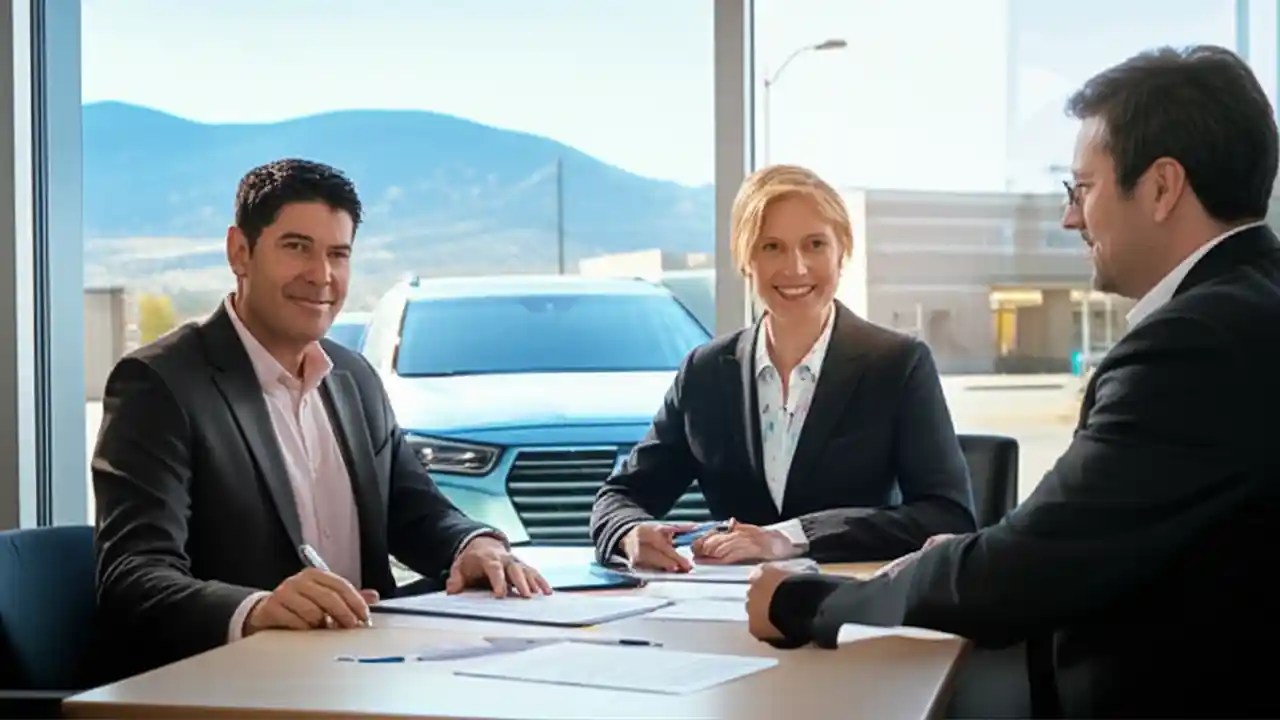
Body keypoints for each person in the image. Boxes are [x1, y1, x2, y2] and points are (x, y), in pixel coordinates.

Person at [747, 45, 1280, 718]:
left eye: (1082, 189)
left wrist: (809, 601)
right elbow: (1084, 528)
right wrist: (975, 556)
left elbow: (1033, 569)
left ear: (1162, 187)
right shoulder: (1248, 309)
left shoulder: (1196, 346)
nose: (1070, 217)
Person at [92, 158, 550, 677]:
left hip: (370, 673)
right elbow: (132, 575)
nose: (322, 275)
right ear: (239, 252)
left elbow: (416, 512)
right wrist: (257, 610)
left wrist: (475, 544)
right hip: (237, 686)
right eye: (296, 248)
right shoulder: (160, 385)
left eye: (338, 254)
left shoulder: (353, 377)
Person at [590, 164, 975, 572]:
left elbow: (946, 515)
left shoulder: (897, 364)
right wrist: (629, 531)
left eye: (814, 245)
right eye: (771, 247)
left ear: (842, 252)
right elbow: (620, 497)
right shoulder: (705, 374)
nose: (795, 268)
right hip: (726, 608)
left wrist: (790, 537)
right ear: (744, 260)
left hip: (852, 605)